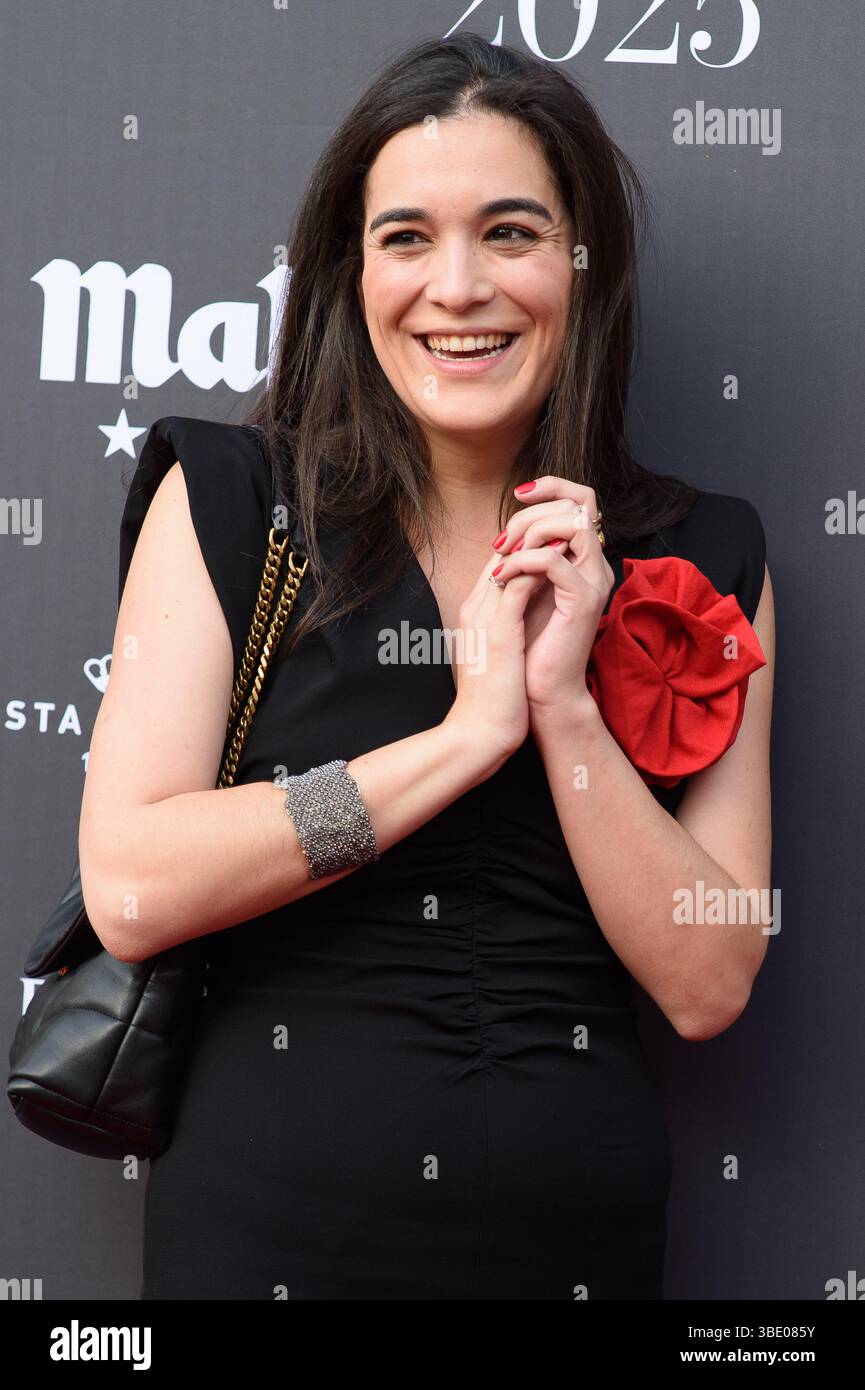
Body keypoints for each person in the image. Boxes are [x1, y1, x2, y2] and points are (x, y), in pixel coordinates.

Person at [78, 33, 774, 1300]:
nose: (456, 287)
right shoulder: (238, 502)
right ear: (353, 272)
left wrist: (562, 706)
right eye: (405, 237)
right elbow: (130, 886)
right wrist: (460, 738)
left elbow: (708, 979)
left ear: (581, 264)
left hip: (577, 1248)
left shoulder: (700, 554)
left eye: (510, 233)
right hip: (263, 1237)